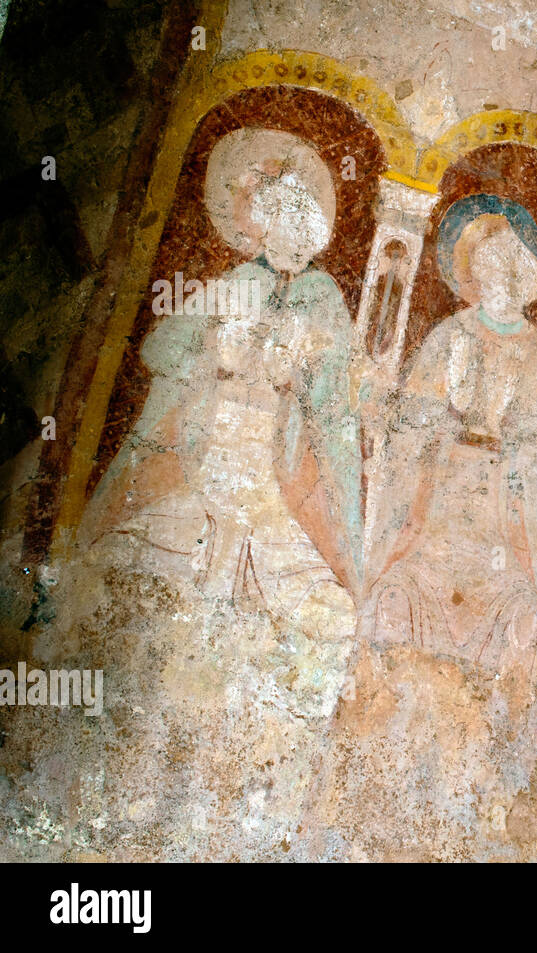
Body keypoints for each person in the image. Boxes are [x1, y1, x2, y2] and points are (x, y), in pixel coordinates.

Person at [79, 135, 359, 858]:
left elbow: (336, 411)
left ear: (317, 230)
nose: (291, 230)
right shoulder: (236, 281)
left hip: (275, 477)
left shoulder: (326, 301)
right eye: (278, 216)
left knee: (319, 619)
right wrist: (217, 345)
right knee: (169, 596)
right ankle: (140, 773)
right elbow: (158, 351)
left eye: (304, 217)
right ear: (260, 224)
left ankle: (255, 799)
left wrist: (301, 370)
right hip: (215, 460)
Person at [306, 197, 537, 860]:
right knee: (394, 601)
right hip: (438, 513)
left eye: (510, 264)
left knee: (520, 621)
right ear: (472, 276)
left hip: (499, 532)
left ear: (528, 274)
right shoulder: (448, 337)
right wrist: (426, 416)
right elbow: (409, 428)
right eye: (485, 265)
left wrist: (518, 444)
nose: (498, 276)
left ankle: (478, 812)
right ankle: (368, 798)